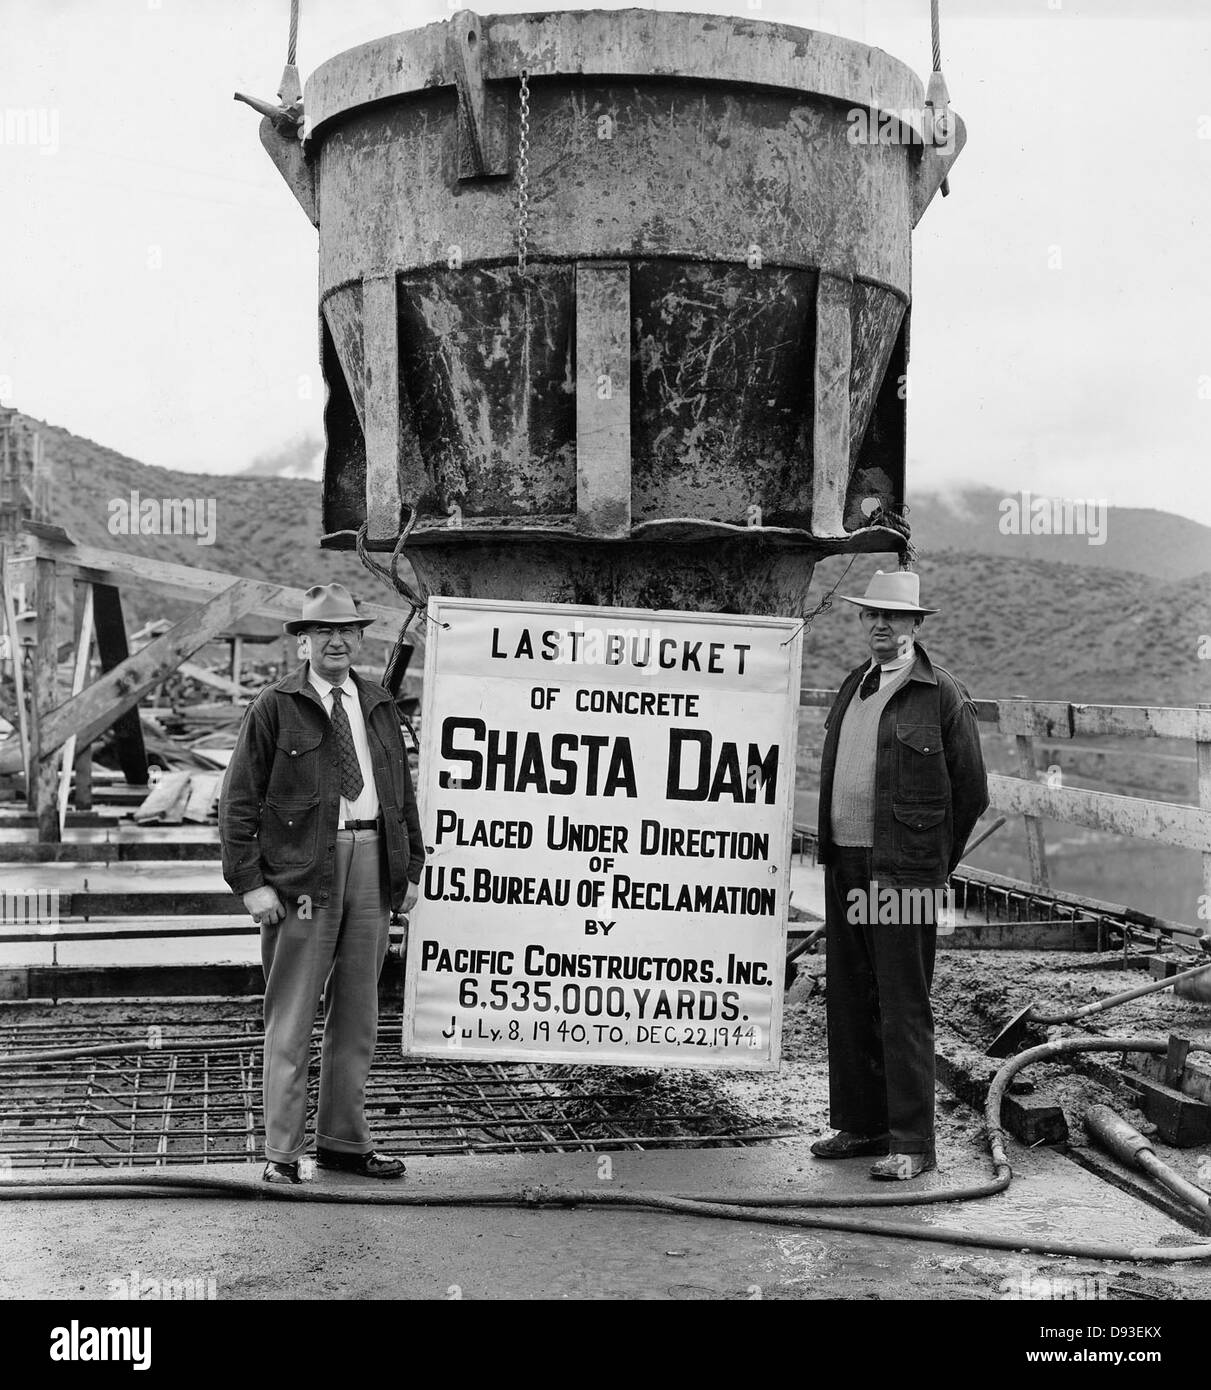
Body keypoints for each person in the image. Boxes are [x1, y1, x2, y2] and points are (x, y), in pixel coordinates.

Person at [220, 583, 424, 1185]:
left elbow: (400, 793)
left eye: (347, 631)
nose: (336, 641)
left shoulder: (379, 703)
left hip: (371, 862)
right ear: (303, 641)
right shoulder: (274, 706)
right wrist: (250, 883)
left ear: (360, 638)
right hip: (304, 872)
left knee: (358, 1012)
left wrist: (408, 867)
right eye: (323, 632)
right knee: (292, 1012)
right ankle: (281, 1155)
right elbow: (238, 800)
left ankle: (342, 1143)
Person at [812, 569, 987, 1179]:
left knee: (902, 1001)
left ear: (915, 624)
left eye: (893, 616)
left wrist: (932, 868)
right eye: (870, 615)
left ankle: (912, 1144)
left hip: (900, 878)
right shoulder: (851, 685)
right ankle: (861, 1125)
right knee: (852, 993)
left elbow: (972, 794)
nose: (880, 625)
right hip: (846, 864)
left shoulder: (940, 695)